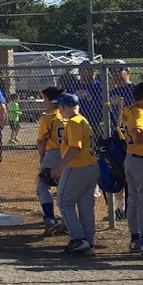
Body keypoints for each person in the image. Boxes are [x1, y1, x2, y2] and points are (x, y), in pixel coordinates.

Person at [53, 91, 98, 255]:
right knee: (86, 205)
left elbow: (75, 146)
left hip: (77, 167)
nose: (58, 109)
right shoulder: (83, 120)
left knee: (64, 202)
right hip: (92, 167)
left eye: (59, 106)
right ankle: (89, 243)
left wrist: (60, 166)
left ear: (64, 107)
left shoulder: (73, 122)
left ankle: (78, 239)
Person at [34, 85, 66, 236]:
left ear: (52, 101)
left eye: (45, 99)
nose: (43, 102)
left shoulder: (48, 118)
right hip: (71, 154)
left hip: (53, 154)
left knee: (42, 185)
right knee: (65, 188)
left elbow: (42, 141)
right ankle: (67, 221)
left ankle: (50, 218)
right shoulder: (69, 116)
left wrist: (41, 158)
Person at [120, 81, 143, 254]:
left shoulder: (127, 110)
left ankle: (135, 239)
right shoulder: (139, 112)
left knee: (134, 201)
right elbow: (137, 133)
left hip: (131, 158)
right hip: (141, 160)